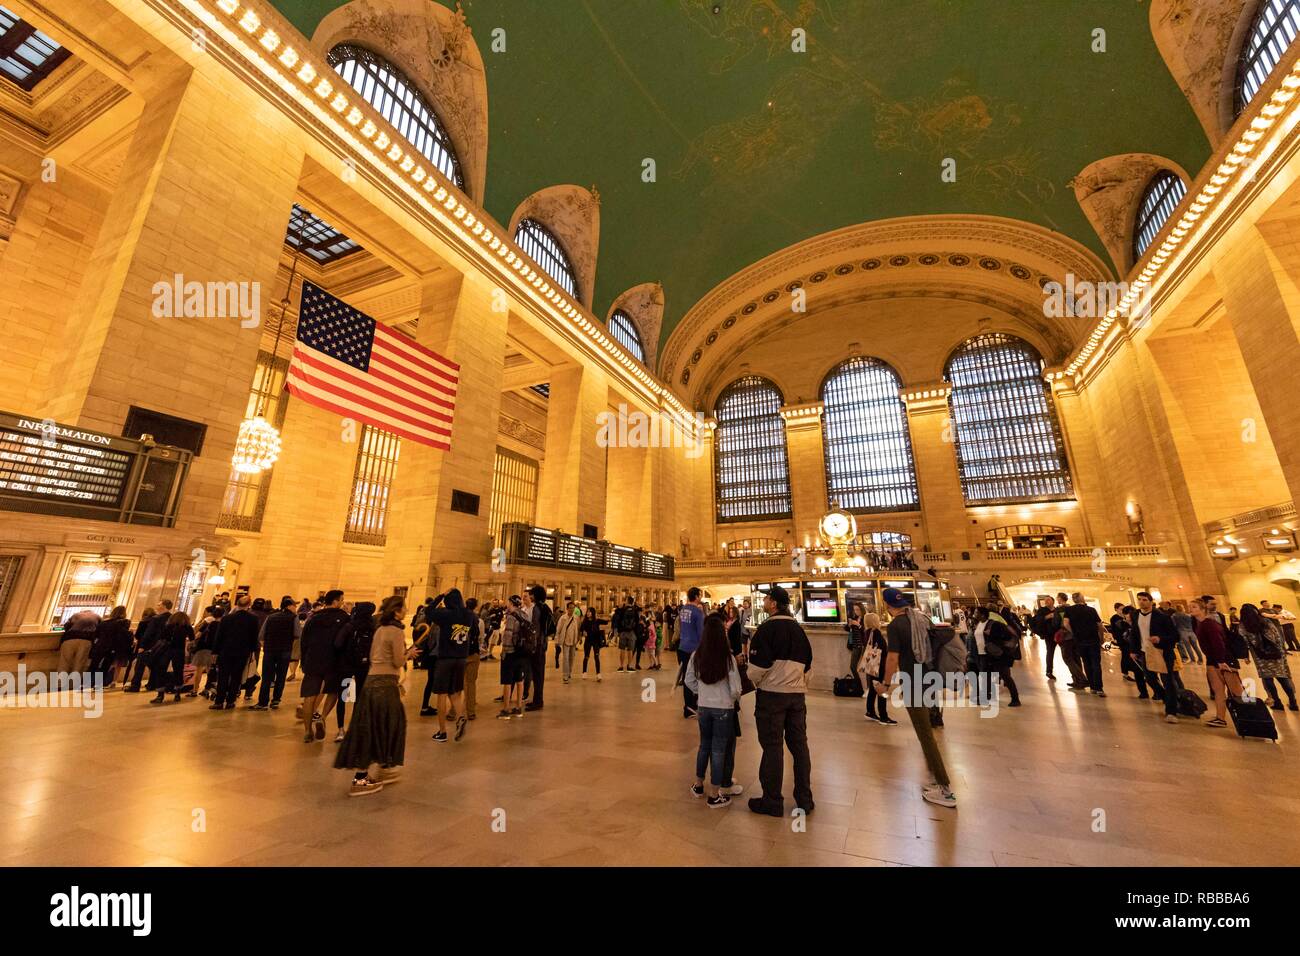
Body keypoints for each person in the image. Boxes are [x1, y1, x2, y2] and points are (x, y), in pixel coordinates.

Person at [335, 595, 418, 796]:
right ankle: (362, 777)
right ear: (397, 611)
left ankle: (383, 766)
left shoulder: (379, 629)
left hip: (372, 682)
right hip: (386, 684)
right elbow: (398, 662)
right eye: (404, 608)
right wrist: (410, 654)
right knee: (389, 724)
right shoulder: (397, 631)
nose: (406, 611)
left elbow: (375, 656)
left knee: (374, 725)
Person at [880, 587, 955, 809]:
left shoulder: (896, 626)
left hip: (914, 683)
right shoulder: (920, 618)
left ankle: (945, 788)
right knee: (927, 732)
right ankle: (936, 781)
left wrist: (884, 684)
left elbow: (893, 658)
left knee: (925, 735)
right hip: (929, 678)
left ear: (887, 605)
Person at [745, 585, 813, 817]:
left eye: (766, 599)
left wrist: (759, 680)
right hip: (797, 697)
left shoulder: (766, 630)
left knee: (773, 746)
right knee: (799, 746)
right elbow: (809, 666)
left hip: (772, 696)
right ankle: (805, 799)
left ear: (773, 604)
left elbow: (756, 669)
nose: (764, 602)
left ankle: (772, 800)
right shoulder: (799, 630)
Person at [685, 615, 744, 808]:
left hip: (703, 707)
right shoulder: (727, 657)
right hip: (723, 708)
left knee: (704, 746)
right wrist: (732, 699)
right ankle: (715, 794)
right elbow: (736, 688)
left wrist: (701, 692)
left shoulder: (697, 654)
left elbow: (688, 680)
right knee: (718, 750)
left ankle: (698, 784)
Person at [421, 589, 476, 742]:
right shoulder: (469, 615)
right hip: (461, 658)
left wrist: (441, 595)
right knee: (455, 693)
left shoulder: (446, 614)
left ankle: (442, 731)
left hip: (445, 658)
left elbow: (429, 610)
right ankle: (461, 718)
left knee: (441, 694)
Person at [297, 589, 351, 741]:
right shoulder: (344, 618)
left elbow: (304, 640)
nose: (342, 603)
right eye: (341, 600)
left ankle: (307, 731)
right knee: (333, 692)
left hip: (313, 660)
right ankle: (322, 717)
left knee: (309, 696)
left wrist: (304, 660)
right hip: (334, 661)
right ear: (335, 601)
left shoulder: (313, 618)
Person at [1190, 597, 1243, 729]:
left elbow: (1218, 643)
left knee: (1237, 692)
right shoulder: (1200, 623)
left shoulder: (1209, 624)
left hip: (1224, 660)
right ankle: (1220, 718)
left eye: (1194, 607)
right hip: (1212, 660)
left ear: (1203, 609)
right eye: (1190, 607)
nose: (1190, 609)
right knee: (1218, 691)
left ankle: (1250, 718)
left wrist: (1221, 661)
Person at [1129, 592, 1182, 722]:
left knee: (1168, 681)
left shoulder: (1162, 617)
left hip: (1162, 652)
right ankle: (1166, 698)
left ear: (1151, 602)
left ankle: (1171, 711)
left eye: (1145, 600)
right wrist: (1133, 650)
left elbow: (1175, 636)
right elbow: (1135, 634)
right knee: (1150, 678)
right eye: (1140, 599)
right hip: (1145, 652)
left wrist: (1160, 639)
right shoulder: (1135, 615)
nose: (1142, 602)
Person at [1239, 603, 1297, 710]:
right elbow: (1278, 637)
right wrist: (1281, 651)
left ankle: (1277, 703)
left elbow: (1244, 642)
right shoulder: (1266, 621)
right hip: (1276, 654)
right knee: (1282, 677)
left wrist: (1246, 656)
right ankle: (1293, 703)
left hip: (1260, 657)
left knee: (1268, 679)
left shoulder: (1243, 626)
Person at [334, 601, 376, 740]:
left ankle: (341, 730)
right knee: (359, 697)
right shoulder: (372, 627)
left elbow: (338, 644)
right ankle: (355, 728)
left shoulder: (349, 626)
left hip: (347, 666)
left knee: (343, 696)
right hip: (362, 667)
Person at [212, 594, 260, 711]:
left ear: (237, 604)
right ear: (249, 605)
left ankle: (219, 701)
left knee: (223, 676)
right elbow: (254, 637)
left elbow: (219, 636)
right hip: (242, 652)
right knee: (236, 677)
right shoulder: (253, 619)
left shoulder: (227, 618)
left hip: (225, 651)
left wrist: (215, 652)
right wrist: (252, 651)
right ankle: (230, 701)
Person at [252, 597, 296, 710]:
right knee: (281, 676)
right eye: (294, 606)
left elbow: (261, 635)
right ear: (289, 606)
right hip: (285, 650)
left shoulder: (271, 617)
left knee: (267, 676)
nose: (295, 608)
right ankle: (276, 700)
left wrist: (265, 646)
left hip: (270, 650)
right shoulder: (293, 618)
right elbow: (298, 634)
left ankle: (262, 702)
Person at [1062, 593, 1106, 697]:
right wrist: (1101, 637)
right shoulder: (1090, 610)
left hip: (1079, 640)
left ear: (1073, 600)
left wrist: (1073, 632)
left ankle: (1092, 687)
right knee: (1096, 663)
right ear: (1082, 598)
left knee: (1086, 663)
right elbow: (1099, 625)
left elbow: (1065, 623)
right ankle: (1099, 688)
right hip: (1093, 639)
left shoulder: (1069, 610)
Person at [497, 595, 532, 719]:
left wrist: (504, 651)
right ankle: (518, 708)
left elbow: (508, 635)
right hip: (522, 652)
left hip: (511, 653)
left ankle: (506, 709)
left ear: (511, 603)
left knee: (507, 681)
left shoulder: (511, 617)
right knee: (519, 680)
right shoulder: (525, 615)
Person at [149, 610, 192, 703]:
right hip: (179, 651)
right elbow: (192, 638)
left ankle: (160, 695)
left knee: (161, 670)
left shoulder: (169, 626)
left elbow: (162, 637)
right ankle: (177, 694)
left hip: (167, 650)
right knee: (178, 671)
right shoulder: (187, 627)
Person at [523, 585, 553, 711]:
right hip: (542, 644)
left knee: (537, 674)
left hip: (537, 645)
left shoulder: (537, 608)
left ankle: (538, 701)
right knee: (538, 674)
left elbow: (535, 628)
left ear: (535, 595)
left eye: (532, 594)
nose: (530, 596)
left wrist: (531, 645)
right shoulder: (545, 607)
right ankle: (537, 699)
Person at [860, 611, 893, 724]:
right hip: (878, 666)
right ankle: (883, 716)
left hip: (870, 666)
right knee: (881, 690)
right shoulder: (876, 633)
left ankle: (870, 711)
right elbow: (882, 649)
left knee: (873, 690)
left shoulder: (867, 632)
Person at [677, 587, 705, 718]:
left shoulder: (683, 609)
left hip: (683, 646)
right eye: (700, 595)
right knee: (695, 678)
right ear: (696, 596)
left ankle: (688, 707)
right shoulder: (698, 613)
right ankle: (692, 707)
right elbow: (701, 633)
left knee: (686, 677)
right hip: (694, 649)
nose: (701, 597)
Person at [1051, 592, 1088, 689]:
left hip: (1065, 636)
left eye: (1057, 597)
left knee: (1067, 658)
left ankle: (1082, 679)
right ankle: (1078, 681)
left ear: (1060, 598)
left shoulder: (1059, 609)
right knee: (1076, 658)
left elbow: (1055, 623)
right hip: (1074, 636)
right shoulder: (1072, 608)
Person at [90, 606, 131, 686]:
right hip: (112, 648)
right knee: (105, 666)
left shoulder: (104, 623)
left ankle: (86, 684)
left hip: (100, 646)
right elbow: (121, 636)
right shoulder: (123, 623)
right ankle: (97, 684)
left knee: (94, 665)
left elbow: (96, 635)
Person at [1030, 597, 1059, 681]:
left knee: (1067, 655)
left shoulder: (1057, 610)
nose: (1046, 601)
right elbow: (1037, 620)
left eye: (1048, 600)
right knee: (1050, 651)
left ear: (1053, 601)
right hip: (1049, 635)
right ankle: (1049, 671)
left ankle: (1076, 676)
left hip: (1059, 634)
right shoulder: (1042, 610)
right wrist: (1047, 617)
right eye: (1045, 600)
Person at [556, 601, 581, 683]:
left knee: (571, 658)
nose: (572, 609)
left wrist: (579, 638)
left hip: (573, 641)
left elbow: (578, 629)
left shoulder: (576, 618)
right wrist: (557, 640)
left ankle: (569, 672)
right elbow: (558, 630)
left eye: (573, 608)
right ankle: (565, 675)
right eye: (570, 608)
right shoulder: (563, 618)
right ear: (567, 609)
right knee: (565, 658)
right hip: (565, 640)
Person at [613, 596, 638, 673]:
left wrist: (617, 631)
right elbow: (637, 621)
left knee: (622, 649)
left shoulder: (622, 610)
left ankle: (621, 666)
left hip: (623, 632)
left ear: (627, 601)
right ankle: (629, 666)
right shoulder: (635, 610)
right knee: (630, 650)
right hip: (631, 632)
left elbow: (616, 617)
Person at [580, 607, 606, 680]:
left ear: (593, 613)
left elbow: (606, 622)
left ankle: (598, 674)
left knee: (596, 657)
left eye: (589, 612)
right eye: (587, 612)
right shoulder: (584, 621)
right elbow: (581, 629)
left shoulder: (596, 621)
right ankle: (584, 672)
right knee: (586, 657)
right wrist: (583, 632)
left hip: (596, 641)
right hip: (588, 641)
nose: (588, 613)